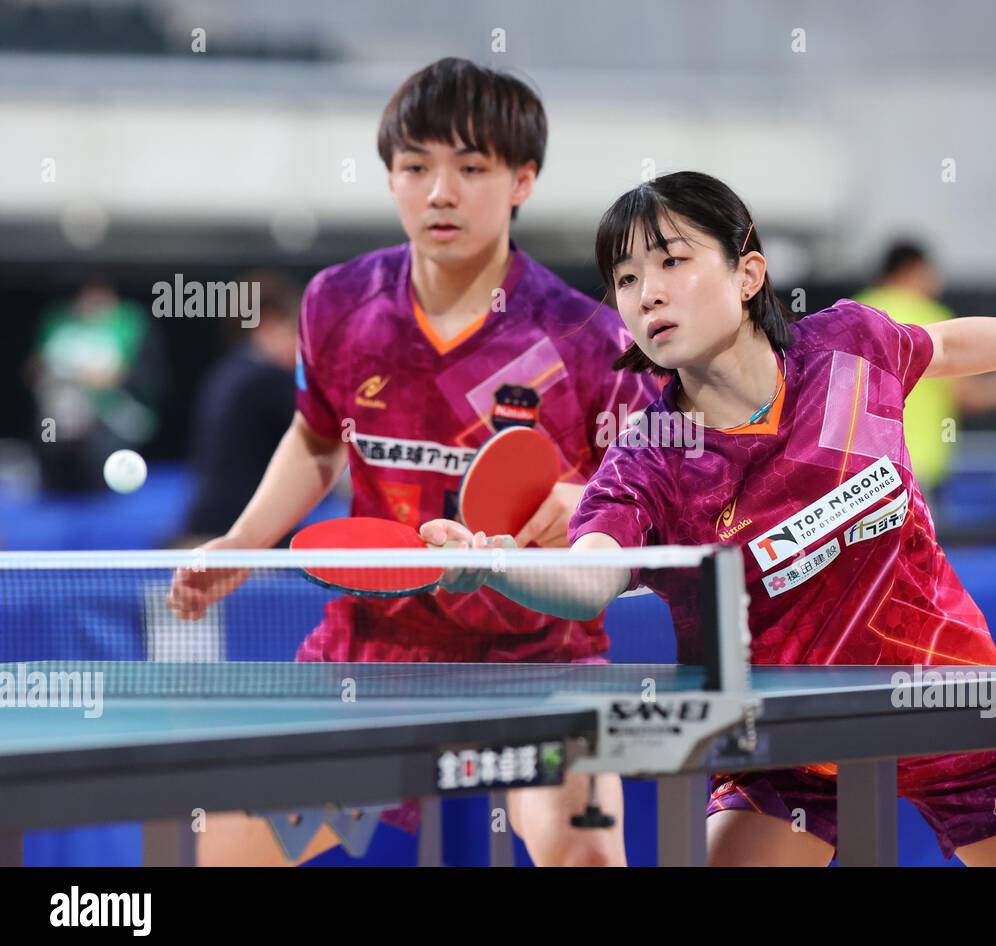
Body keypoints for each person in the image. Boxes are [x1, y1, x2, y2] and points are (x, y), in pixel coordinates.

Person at [420, 171, 996, 866]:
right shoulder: (650, 459)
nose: (647, 292)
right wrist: (493, 566)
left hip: (956, 702)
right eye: (625, 279)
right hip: (788, 750)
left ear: (747, 272)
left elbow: (948, 343)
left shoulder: (850, 348)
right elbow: (591, 576)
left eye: (672, 260)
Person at [168, 58, 656, 866]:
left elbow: (636, 502)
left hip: (538, 661)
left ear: (522, 179)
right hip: (374, 651)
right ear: (391, 177)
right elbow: (318, 440)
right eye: (415, 167)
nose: (440, 192)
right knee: (224, 851)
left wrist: (585, 507)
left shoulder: (588, 339)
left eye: (471, 168)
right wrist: (243, 544)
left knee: (586, 853)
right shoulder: (337, 303)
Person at [177, 272, 301, 547]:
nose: (303, 346)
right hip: (236, 536)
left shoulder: (229, 369)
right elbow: (321, 445)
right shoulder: (267, 381)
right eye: (296, 331)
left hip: (210, 525)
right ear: (269, 323)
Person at [27, 281, 166, 492]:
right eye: (88, 296)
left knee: (98, 471)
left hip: (111, 418)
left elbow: (119, 377)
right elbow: (34, 371)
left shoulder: (128, 322)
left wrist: (81, 378)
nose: (93, 303)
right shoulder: (60, 324)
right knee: (49, 437)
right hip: (59, 418)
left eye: (100, 297)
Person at [854, 241, 958, 495]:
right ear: (912, 269)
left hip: (861, 470)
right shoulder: (931, 316)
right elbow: (963, 393)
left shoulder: (853, 312)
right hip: (916, 462)